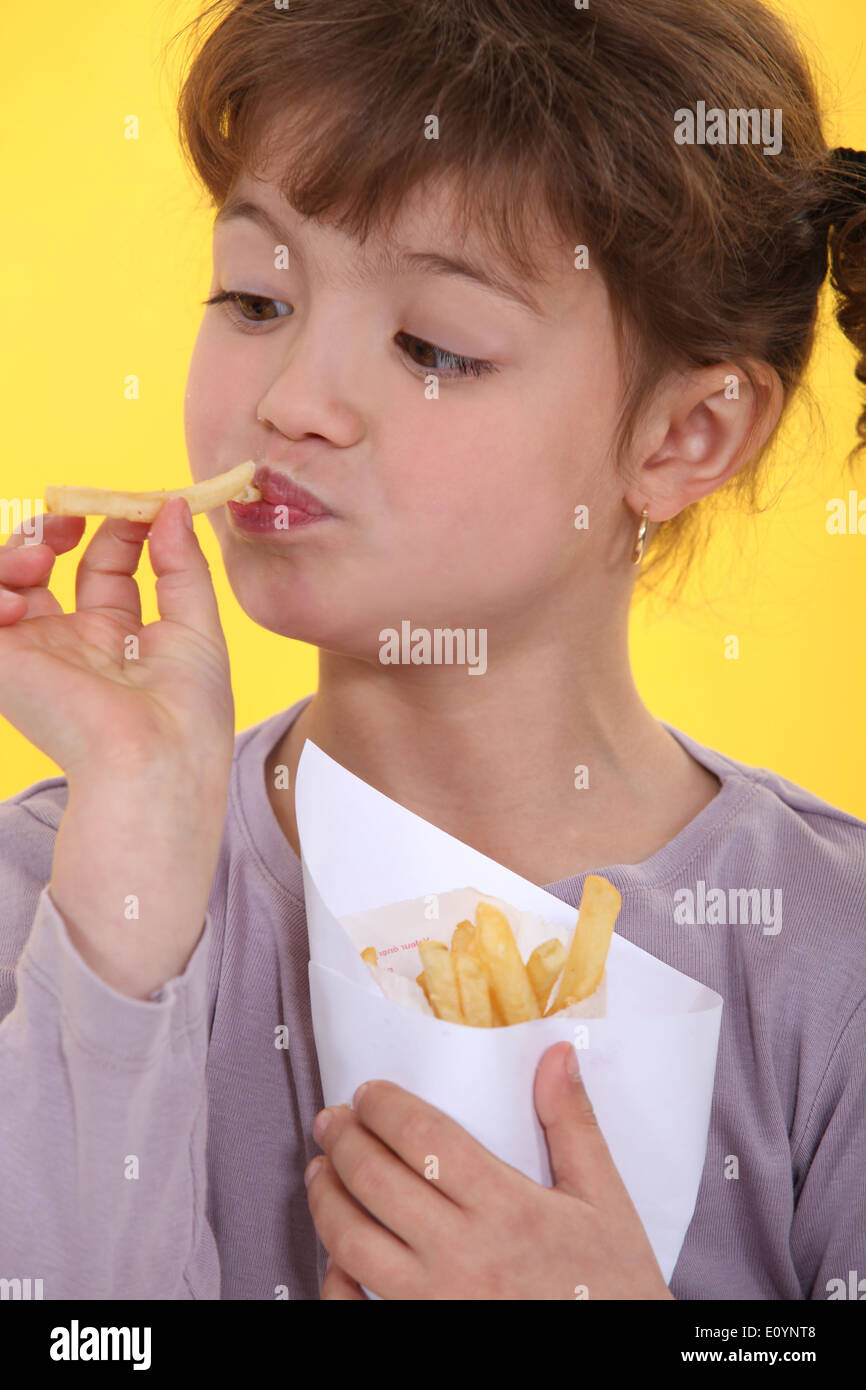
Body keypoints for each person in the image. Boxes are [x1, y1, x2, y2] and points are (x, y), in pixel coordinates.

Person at [1, 0, 865, 1301]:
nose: (292, 399)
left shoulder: (826, 962)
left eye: (433, 347)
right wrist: (127, 926)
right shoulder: (51, 891)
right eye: (254, 295)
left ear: (684, 436)